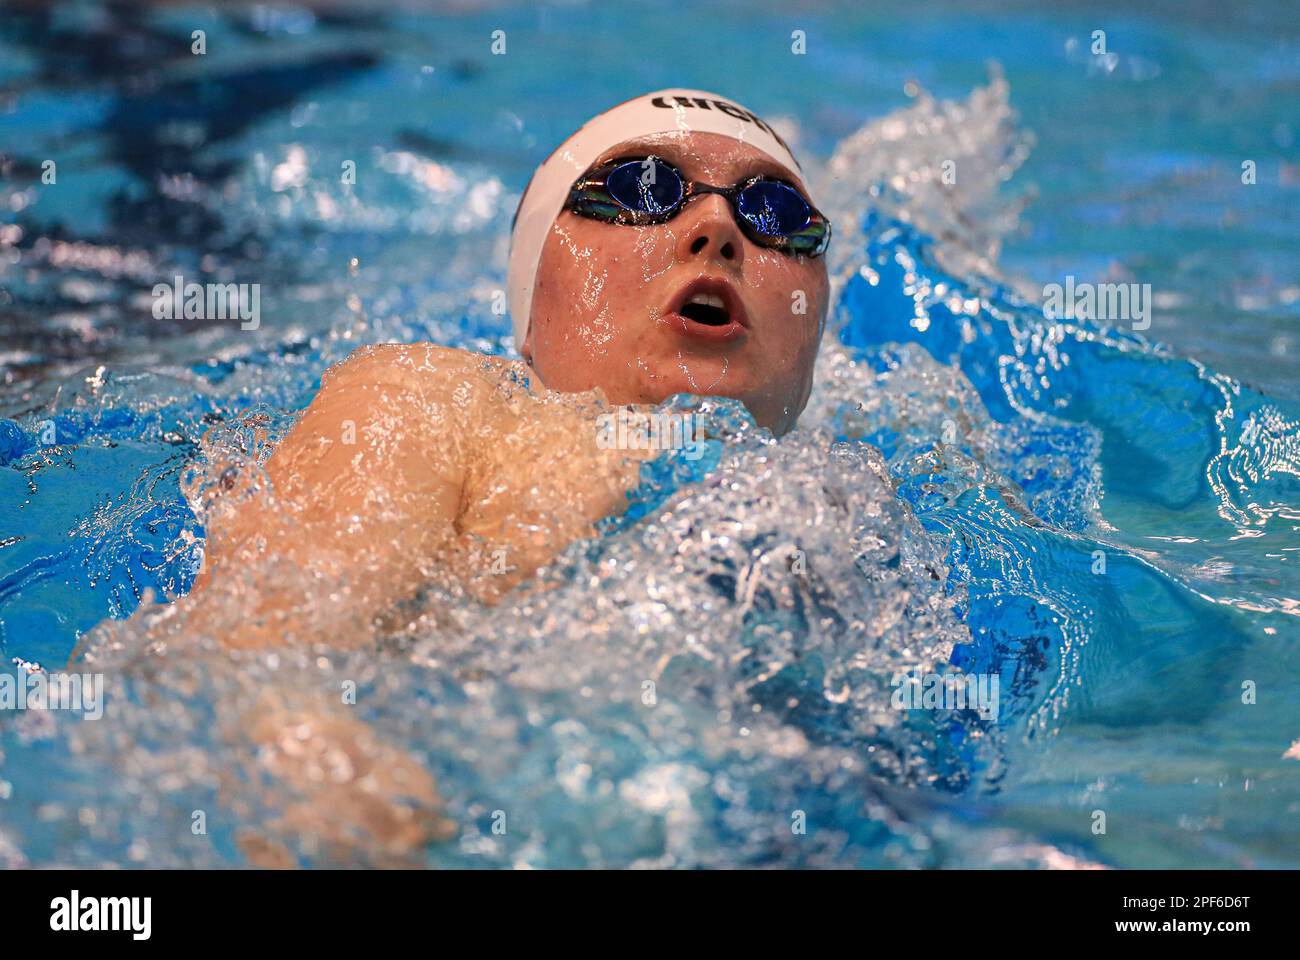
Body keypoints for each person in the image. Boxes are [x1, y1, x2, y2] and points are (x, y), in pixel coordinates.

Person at [187, 88, 833, 648]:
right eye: (643, 187)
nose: (718, 226)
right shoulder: (428, 401)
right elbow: (263, 663)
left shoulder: (856, 508)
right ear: (533, 299)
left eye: (777, 213)